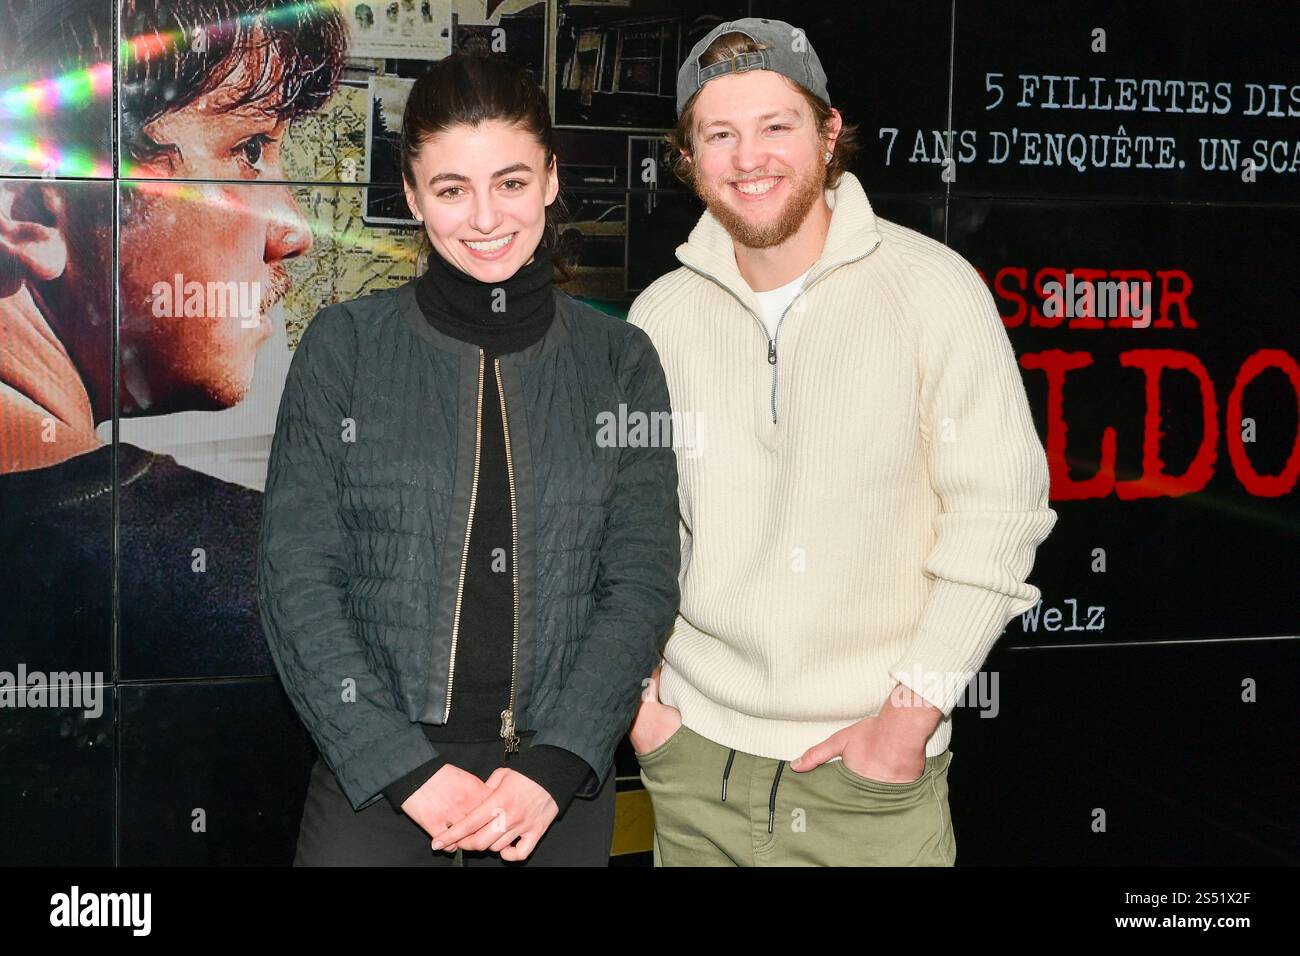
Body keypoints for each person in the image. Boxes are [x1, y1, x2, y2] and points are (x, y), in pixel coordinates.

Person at [627, 18, 1058, 866]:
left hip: (870, 784)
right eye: (720, 134)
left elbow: (999, 516)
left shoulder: (933, 291)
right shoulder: (660, 318)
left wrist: (910, 719)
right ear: (690, 159)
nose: (749, 158)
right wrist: (646, 715)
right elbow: (633, 533)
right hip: (694, 773)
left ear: (829, 134)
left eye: (776, 126)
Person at [257, 50, 681, 866]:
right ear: (414, 197)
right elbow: (297, 579)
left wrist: (557, 764)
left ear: (551, 181)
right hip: (378, 786)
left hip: (553, 790)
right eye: (452, 189)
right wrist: (405, 767)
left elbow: (641, 583)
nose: (485, 217)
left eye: (512, 182)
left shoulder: (621, 360)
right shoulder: (344, 348)